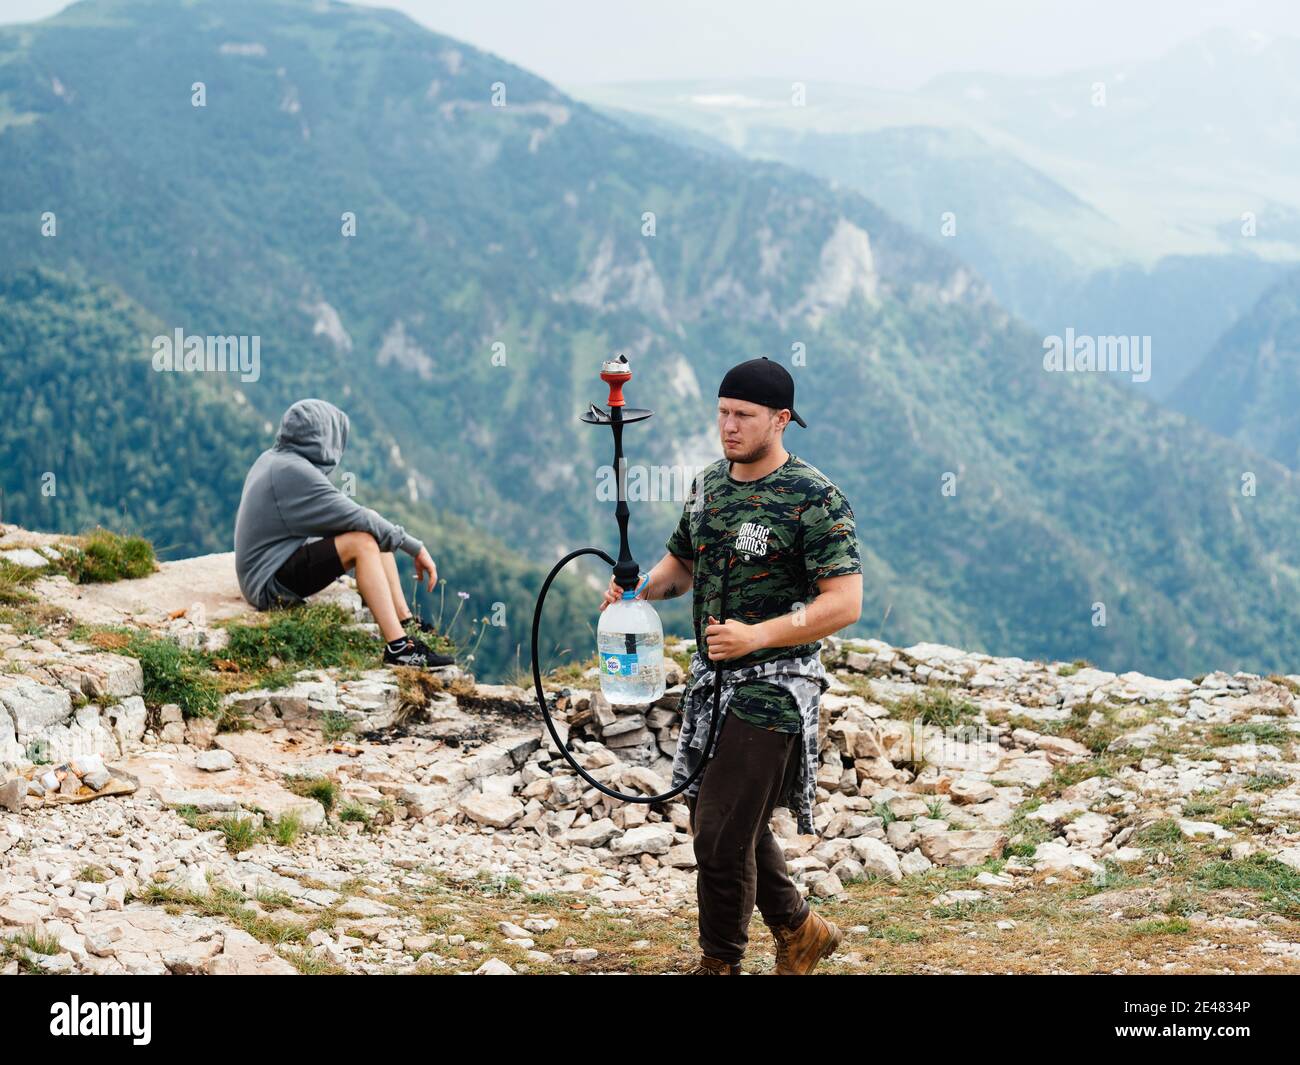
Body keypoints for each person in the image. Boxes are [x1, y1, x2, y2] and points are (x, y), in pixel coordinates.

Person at [600, 357, 863, 975]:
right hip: (713, 683)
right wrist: (638, 593)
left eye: (744, 415)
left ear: (781, 419)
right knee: (728, 821)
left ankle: (720, 964)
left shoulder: (814, 498)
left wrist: (756, 637)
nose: (729, 426)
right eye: (722, 413)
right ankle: (801, 931)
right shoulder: (708, 487)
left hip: (777, 685)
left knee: (718, 834)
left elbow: (844, 602)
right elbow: (680, 569)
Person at [234, 398, 453, 669]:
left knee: (368, 526)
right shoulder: (293, 472)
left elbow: (361, 517)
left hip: (272, 562)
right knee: (363, 542)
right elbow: (358, 518)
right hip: (267, 585)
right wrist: (416, 548)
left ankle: (404, 619)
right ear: (322, 439)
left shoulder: (276, 459)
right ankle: (399, 649)